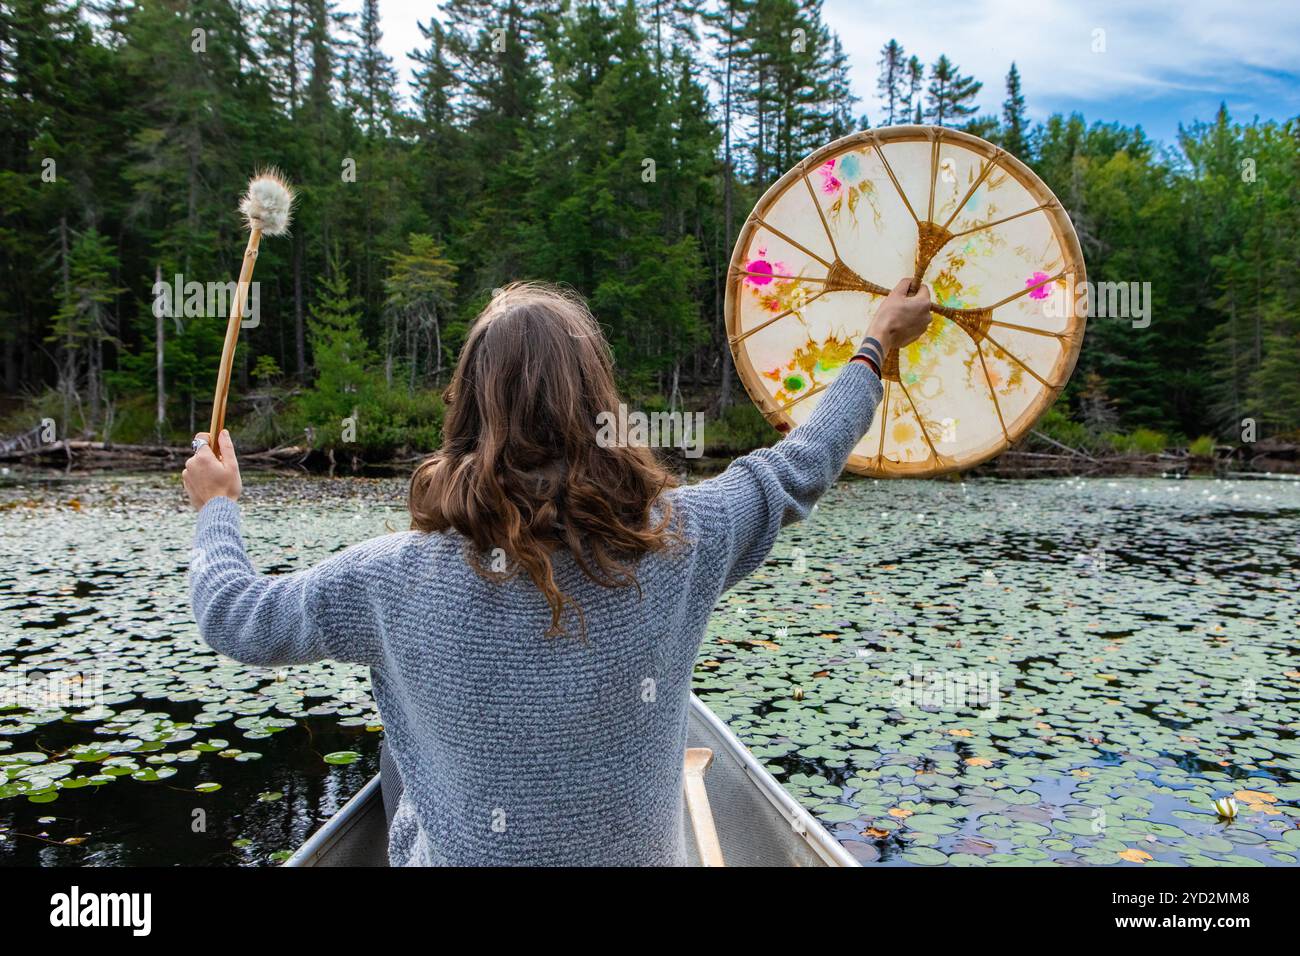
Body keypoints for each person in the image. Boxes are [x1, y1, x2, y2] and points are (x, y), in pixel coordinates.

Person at [183, 277, 932, 866]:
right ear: (600, 402)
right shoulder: (683, 540)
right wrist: (874, 346)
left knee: (399, 753)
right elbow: (797, 467)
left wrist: (218, 505)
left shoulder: (390, 578)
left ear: (467, 408)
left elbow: (232, 613)